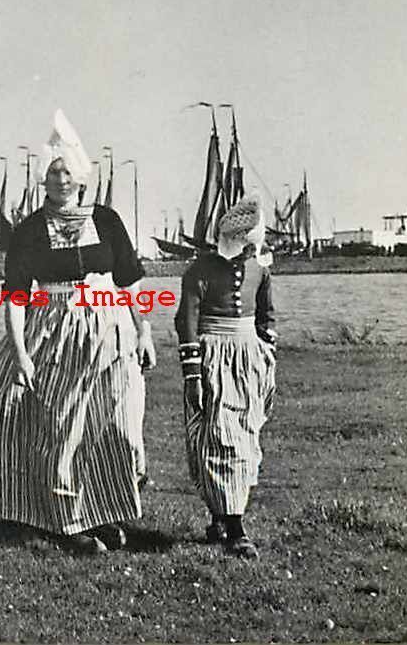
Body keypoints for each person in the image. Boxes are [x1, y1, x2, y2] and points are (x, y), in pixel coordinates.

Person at [0, 110, 156, 554]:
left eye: (67, 170)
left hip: (111, 332)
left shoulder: (106, 220)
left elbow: (130, 282)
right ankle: (66, 522)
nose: (61, 179)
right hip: (55, 331)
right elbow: (15, 296)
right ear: (42, 180)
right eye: (53, 172)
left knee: (117, 425)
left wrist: (143, 331)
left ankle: (105, 510)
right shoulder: (29, 230)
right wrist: (22, 353)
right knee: (63, 427)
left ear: (81, 175)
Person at [175, 194, 276, 559]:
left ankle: (226, 517)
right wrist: (193, 374)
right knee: (216, 438)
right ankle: (233, 525)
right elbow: (185, 320)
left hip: (247, 360)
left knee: (243, 438)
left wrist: (265, 356)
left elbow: (267, 318)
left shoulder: (261, 272)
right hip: (213, 358)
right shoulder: (200, 271)